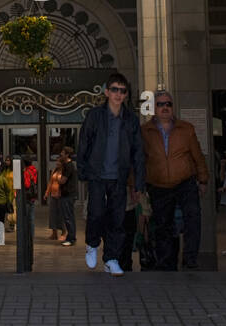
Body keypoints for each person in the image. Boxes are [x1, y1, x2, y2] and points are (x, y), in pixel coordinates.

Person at [76, 71, 145, 277]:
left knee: (117, 219)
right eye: (114, 89)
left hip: (119, 177)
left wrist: (139, 183)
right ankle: (92, 244)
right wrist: (83, 170)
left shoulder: (131, 120)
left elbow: (138, 152)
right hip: (97, 175)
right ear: (107, 92)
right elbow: (84, 143)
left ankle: (111, 258)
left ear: (125, 95)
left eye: (122, 91)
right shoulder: (95, 116)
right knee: (96, 213)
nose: (118, 94)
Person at [141, 90, 210, 270]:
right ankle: (167, 263)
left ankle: (190, 258)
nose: (165, 108)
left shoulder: (186, 129)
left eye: (168, 104)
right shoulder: (145, 132)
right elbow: (139, 160)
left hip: (185, 182)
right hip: (158, 185)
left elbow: (198, 156)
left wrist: (203, 180)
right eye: (161, 104)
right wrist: (136, 185)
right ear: (154, 108)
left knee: (192, 216)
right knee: (163, 224)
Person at [54, 146, 77, 246]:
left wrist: (57, 178)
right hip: (66, 194)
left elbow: (63, 180)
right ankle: (70, 237)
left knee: (68, 217)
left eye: (62, 153)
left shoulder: (68, 166)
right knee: (68, 216)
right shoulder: (67, 165)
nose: (61, 154)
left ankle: (71, 238)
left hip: (68, 195)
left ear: (67, 154)